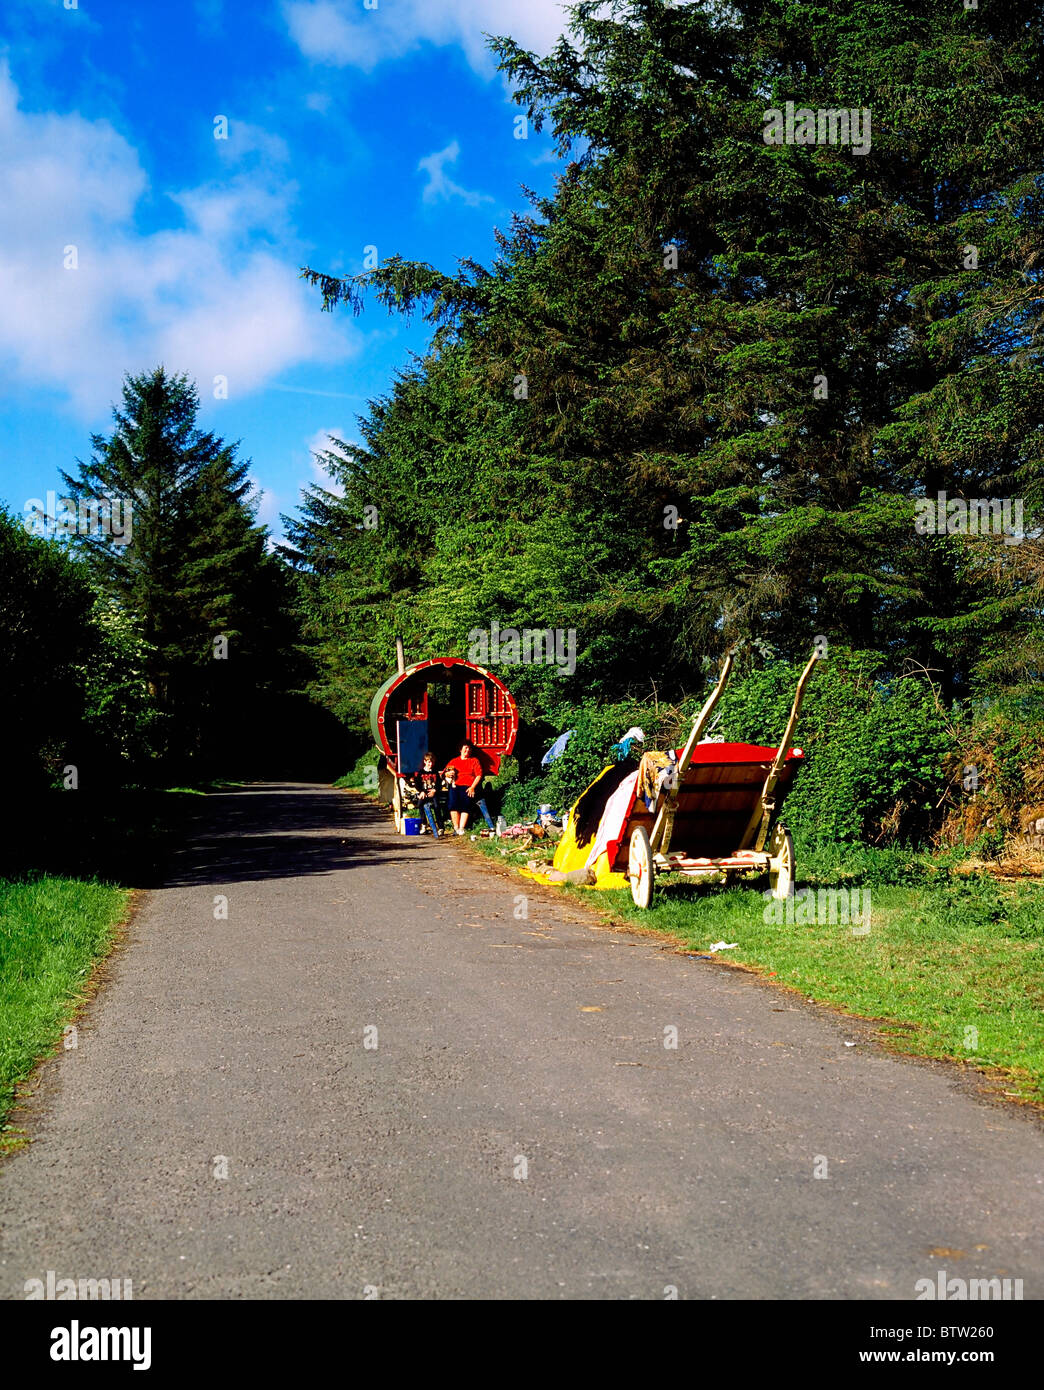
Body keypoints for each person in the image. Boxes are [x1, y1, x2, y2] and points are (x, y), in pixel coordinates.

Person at [443, 741, 484, 835]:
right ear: (460, 750)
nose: (467, 750)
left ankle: (461, 828)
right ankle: (456, 828)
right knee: (453, 805)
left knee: (466, 805)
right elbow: (445, 773)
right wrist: (447, 774)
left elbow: (478, 775)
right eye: (465, 748)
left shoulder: (474, 760)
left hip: (468, 786)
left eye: (469, 749)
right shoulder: (454, 761)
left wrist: (473, 787)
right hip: (455, 785)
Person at [409, 753, 442, 837]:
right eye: (428, 762)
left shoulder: (435, 772)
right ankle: (424, 823)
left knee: (436, 806)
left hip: (433, 793)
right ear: (425, 762)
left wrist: (435, 790)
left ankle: (440, 827)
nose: (430, 764)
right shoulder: (420, 773)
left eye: (431, 762)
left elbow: (439, 784)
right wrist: (421, 791)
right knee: (420, 804)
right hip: (424, 792)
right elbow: (417, 784)